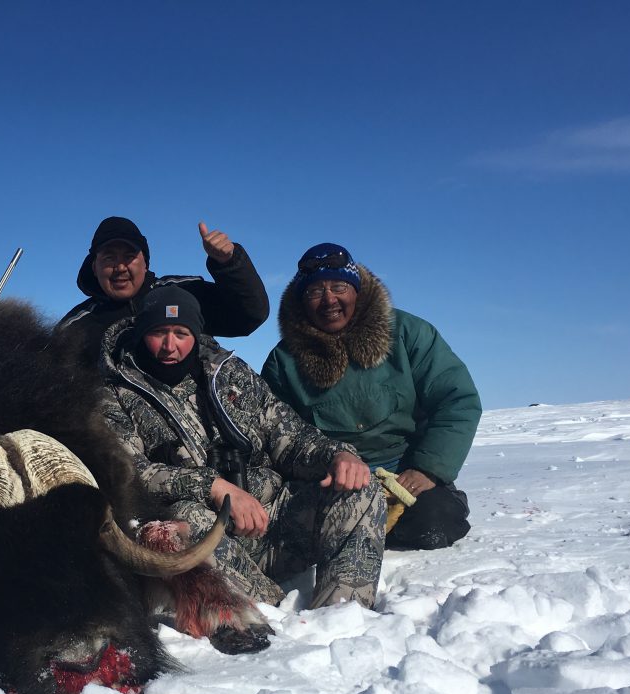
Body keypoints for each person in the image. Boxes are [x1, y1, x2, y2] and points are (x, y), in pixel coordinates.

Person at [100, 284, 386, 613]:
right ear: (141, 333)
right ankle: (273, 616)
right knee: (177, 524)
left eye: (181, 332)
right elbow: (127, 470)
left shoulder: (231, 374)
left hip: (269, 519)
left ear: (196, 333)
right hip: (202, 530)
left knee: (360, 490)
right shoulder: (113, 393)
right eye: (158, 332)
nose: (169, 345)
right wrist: (214, 487)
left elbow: (291, 437)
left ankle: (343, 618)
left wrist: (338, 455)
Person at [261, 243, 481, 551]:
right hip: (333, 478)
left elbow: (457, 400)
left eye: (339, 287)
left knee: (436, 521)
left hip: (405, 473)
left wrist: (427, 469)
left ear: (358, 291)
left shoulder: (408, 333)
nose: (329, 300)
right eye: (314, 292)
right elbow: (275, 434)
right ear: (301, 302)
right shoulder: (283, 361)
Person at [57, 216, 269, 366]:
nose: (120, 267)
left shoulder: (185, 294)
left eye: (129, 256)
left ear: (145, 264)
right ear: (94, 267)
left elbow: (249, 315)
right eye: (109, 258)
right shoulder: (74, 328)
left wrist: (228, 263)